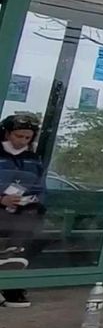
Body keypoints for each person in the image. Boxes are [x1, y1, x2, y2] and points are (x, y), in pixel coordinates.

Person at [0, 113, 45, 308]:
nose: (22, 141)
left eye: (27, 138)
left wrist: (31, 200)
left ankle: (11, 285)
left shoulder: (33, 160)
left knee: (30, 235)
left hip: (22, 210)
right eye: (18, 136)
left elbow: (40, 188)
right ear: (8, 134)